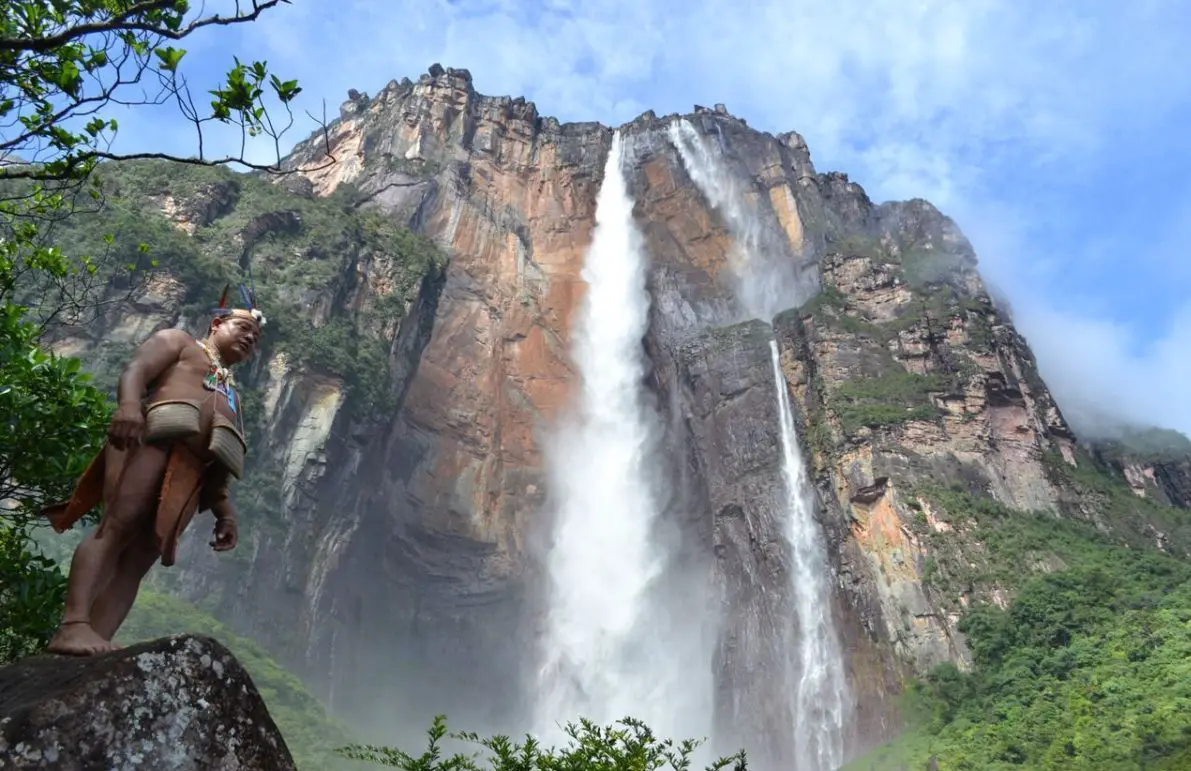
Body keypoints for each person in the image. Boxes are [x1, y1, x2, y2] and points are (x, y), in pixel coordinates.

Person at [41, 285, 265, 656]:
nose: (250, 339)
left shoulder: (232, 395)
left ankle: (96, 637)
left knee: (141, 555)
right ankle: (73, 625)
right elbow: (137, 370)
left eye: (255, 339)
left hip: (189, 473)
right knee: (116, 525)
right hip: (149, 443)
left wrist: (226, 514)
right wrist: (128, 406)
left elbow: (219, 462)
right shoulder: (178, 343)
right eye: (244, 329)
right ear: (217, 323)